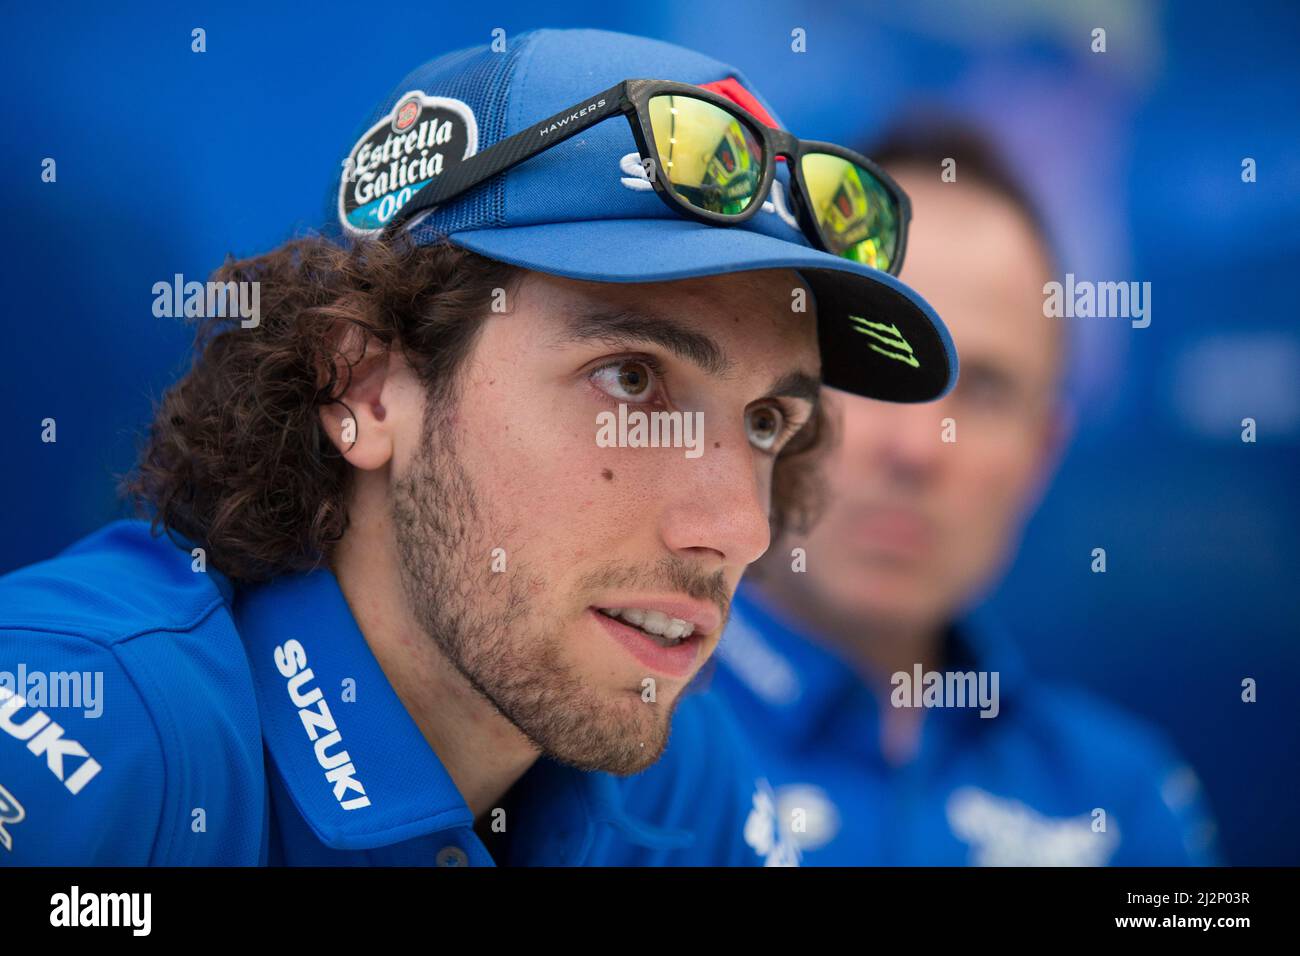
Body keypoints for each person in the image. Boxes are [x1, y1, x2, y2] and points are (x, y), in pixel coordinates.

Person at [0, 29, 957, 866]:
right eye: (631, 380)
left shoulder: (682, 787)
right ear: (367, 389)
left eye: (763, 424)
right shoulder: (96, 729)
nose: (739, 528)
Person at [707, 122, 1219, 865]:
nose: (918, 450)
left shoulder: (1119, 799)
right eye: (873, 362)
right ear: (767, 394)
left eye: (983, 390)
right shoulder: (612, 739)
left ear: (1042, 455)